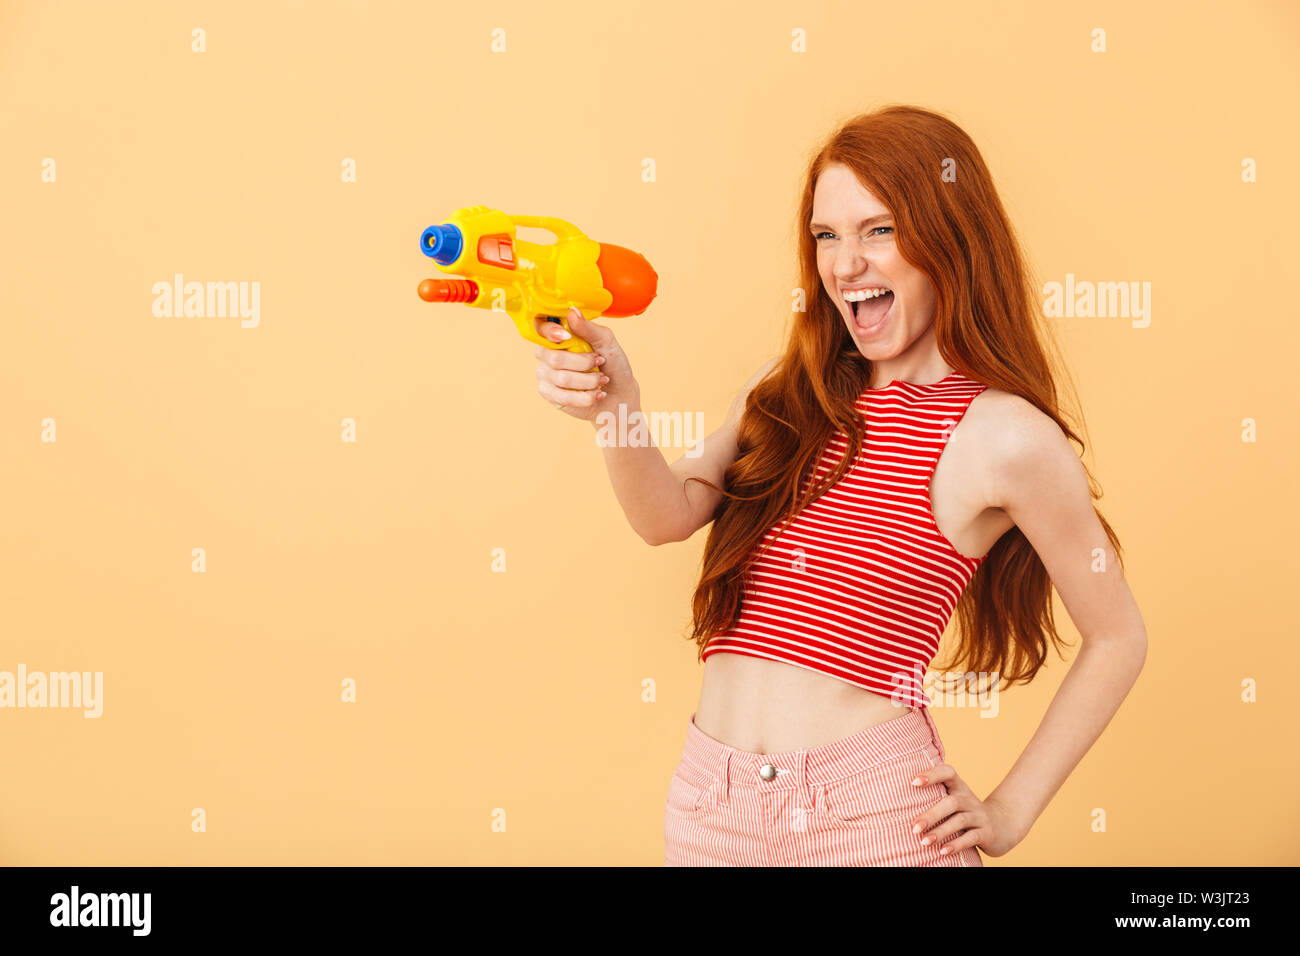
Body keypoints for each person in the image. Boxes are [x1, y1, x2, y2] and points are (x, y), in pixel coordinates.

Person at [533, 104, 1147, 867]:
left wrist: (1009, 811)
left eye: (878, 230)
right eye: (827, 236)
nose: (845, 264)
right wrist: (615, 405)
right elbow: (666, 514)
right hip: (709, 811)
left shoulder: (1004, 436)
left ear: (950, 238)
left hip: (870, 821)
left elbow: (1119, 636)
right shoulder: (786, 389)